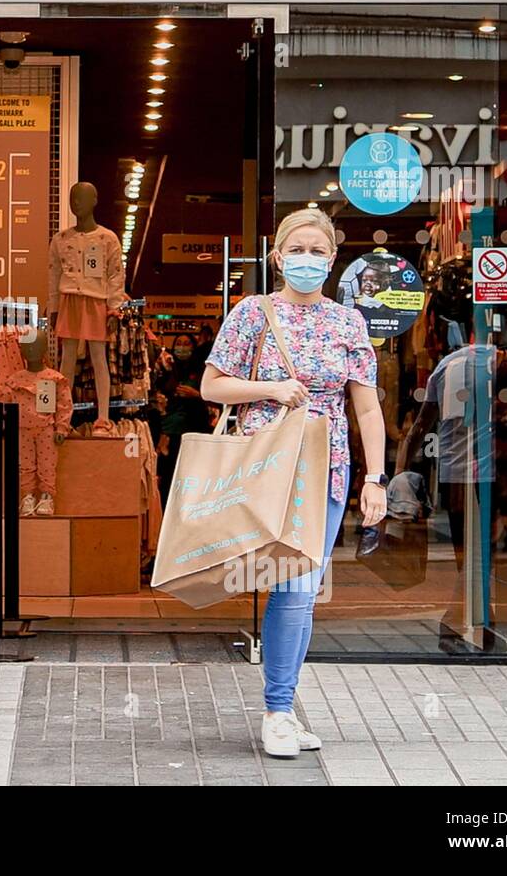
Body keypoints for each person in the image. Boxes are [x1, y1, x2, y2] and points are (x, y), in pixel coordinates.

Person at [201, 207, 386, 760]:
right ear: (278, 256)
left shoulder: (348, 323)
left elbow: (369, 408)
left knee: (302, 592)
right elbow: (212, 387)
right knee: (291, 585)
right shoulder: (251, 313)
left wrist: (375, 478)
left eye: (317, 250)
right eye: (296, 249)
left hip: (326, 466)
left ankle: (283, 707)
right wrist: (272, 389)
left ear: (332, 260)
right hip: (265, 463)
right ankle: (279, 710)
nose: (307, 259)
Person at [155, 333, 211, 503]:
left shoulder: (202, 371)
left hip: (194, 429)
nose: (182, 347)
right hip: (169, 433)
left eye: (187, 344)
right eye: (179, 343)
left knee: (192, 476)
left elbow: (214, 398)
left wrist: (197, 395)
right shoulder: (167, 370)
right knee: (169, 477)